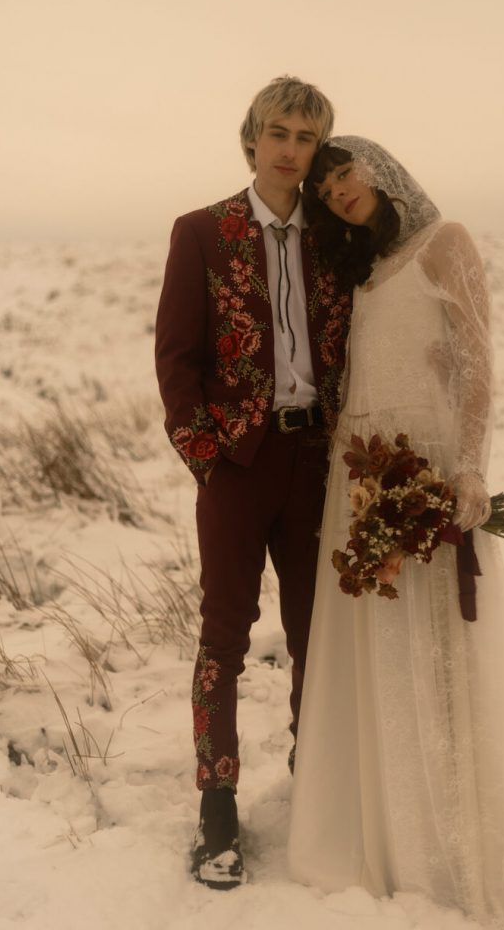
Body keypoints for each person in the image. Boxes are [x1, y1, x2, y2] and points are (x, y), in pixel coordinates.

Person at [287, 137, 504, 928]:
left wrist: (471, 469)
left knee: (446, 651)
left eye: (345, 169)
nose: (339, 188)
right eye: (325, 184)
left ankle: (460, 836)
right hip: (366, 469)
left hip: (430, 465)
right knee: (383, 647)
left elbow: (478, 361)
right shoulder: (365, 270)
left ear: (378, 167)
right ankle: (395, 824)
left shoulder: (443, 242)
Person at [154, 78, 351, 889]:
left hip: (317, 465)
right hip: (237, 464)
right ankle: (217, 801)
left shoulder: (335, 239)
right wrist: (207, 456)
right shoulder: (202, 231)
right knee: (224, 635)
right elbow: (176, 358)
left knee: (318, 635)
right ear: (251, 137)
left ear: (319, 149)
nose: (289, 149)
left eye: (306, 137)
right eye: (277, 132)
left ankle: (316, 781)